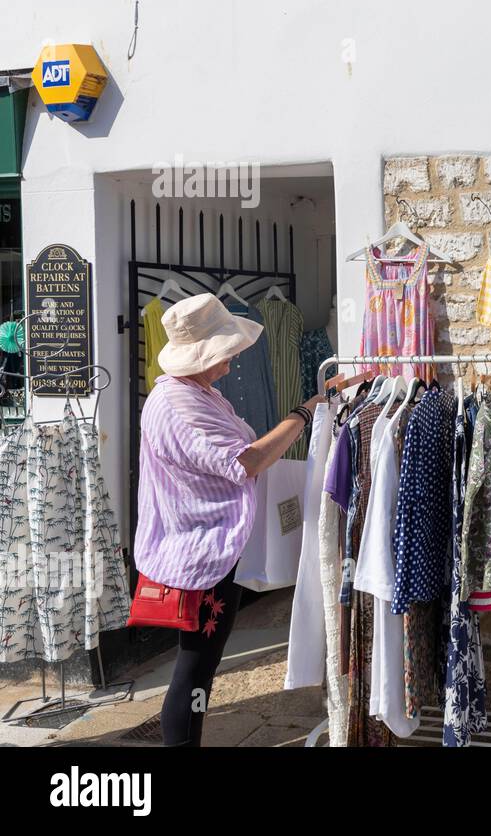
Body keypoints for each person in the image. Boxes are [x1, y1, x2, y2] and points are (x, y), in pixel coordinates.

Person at [134, 293, 324, 746]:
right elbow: (246, 461)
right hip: (202, 553)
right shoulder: (182, 406)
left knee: (201, 665)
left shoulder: (199, 394)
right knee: (195, 670)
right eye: (225, 352)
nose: (233, 360)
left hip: (213, 545)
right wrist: (304, 413)